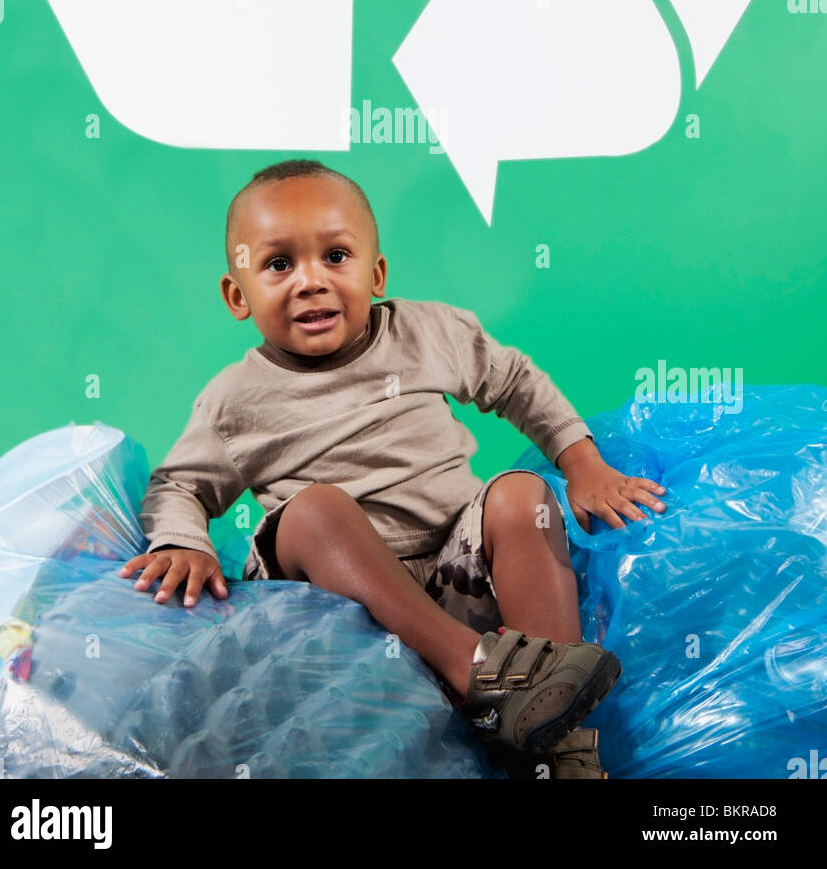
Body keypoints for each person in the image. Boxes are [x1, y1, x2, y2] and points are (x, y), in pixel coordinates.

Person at [119, 159, 666, 778]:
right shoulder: (234, 399)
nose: (311, 282)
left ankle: (554, 736)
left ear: (376, 273)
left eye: (336, 257)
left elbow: (514, 380)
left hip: (460, 573)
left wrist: (582, 460)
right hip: (340, 604)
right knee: (315, 510)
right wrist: (183, 541)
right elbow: (178, 485)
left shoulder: (425, 333)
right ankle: (476, 671)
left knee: (523, 495)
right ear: (236, 295)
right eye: (279, 265)